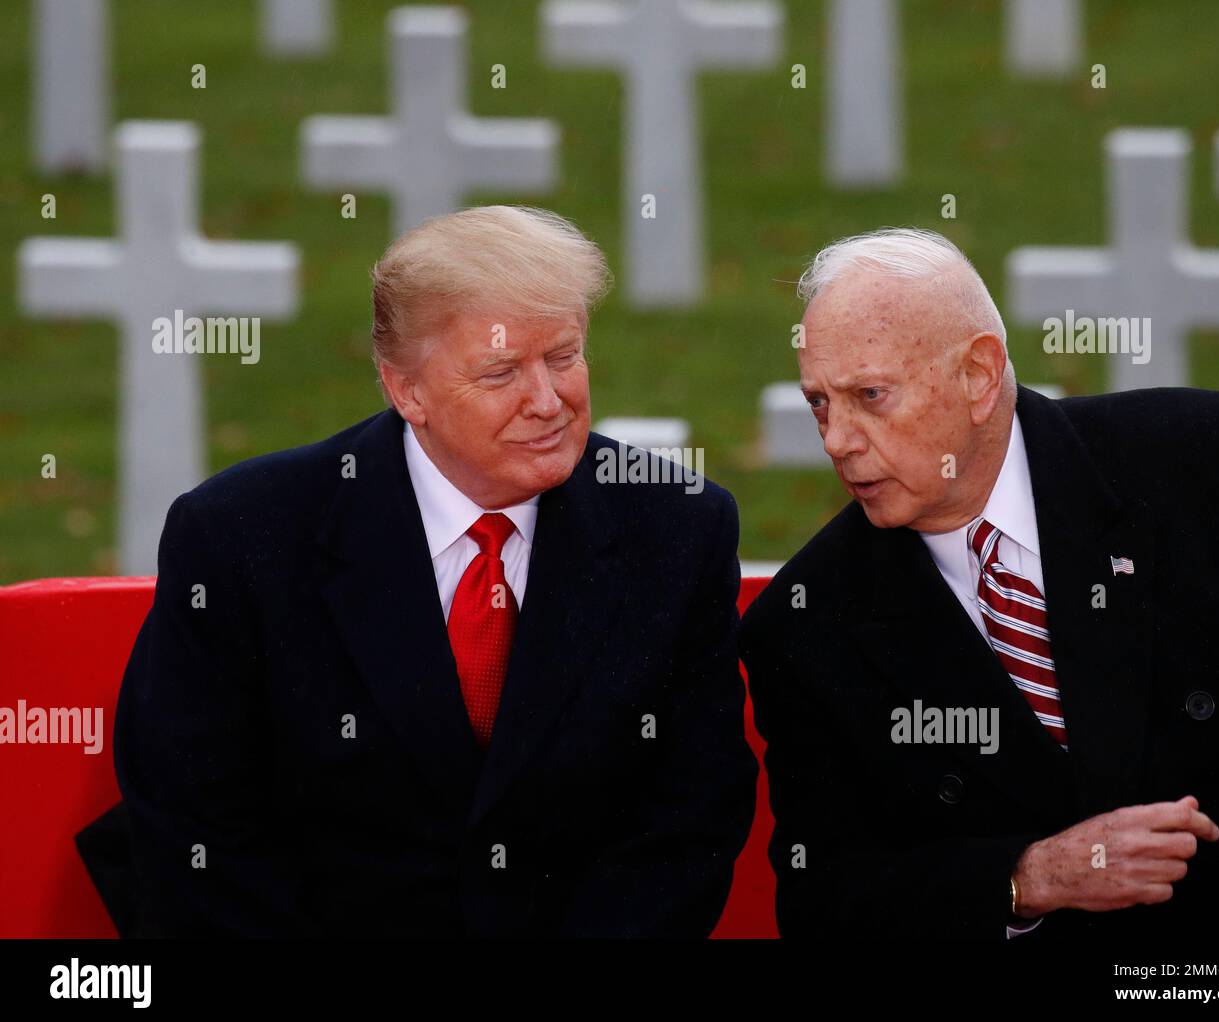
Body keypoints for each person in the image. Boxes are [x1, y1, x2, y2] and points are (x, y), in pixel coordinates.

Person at [81, 205, 756, 938]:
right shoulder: (244, 536)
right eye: (500, 372)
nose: (547, 400)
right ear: (407, 392)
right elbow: (193, 823)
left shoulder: (677, 527)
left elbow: (689, 813)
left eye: (563, 356)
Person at [741, 227, 1219, 941]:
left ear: (977, 375)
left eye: (870, 395)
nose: (837, 440)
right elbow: (824, 902)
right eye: (819, 402)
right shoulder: (807, 622)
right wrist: (1025, 878)